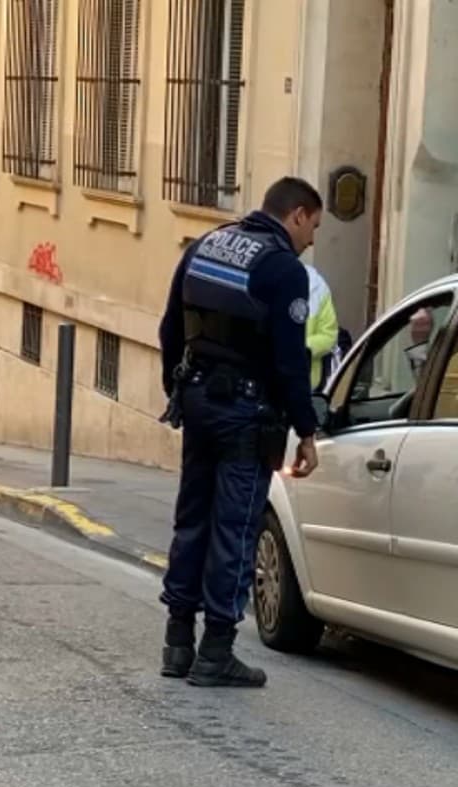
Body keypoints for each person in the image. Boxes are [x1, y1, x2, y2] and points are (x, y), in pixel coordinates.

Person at [156, 177, 323, 688]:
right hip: (246, 411)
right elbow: (291, 361)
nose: (311, 239)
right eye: (312, 226)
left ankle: (177, 644)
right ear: (295, 215)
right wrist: (307, 430)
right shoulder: (283, 269)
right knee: (235, 527)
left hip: (199, 397)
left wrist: (178, 389)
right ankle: (216, 653)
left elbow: (170, 328)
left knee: (192, 521)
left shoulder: (205, 245)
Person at [302, 262, 339, 390]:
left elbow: (329, 335)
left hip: (307, 386)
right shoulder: (262, 278)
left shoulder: (316, 285)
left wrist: (300, 348)